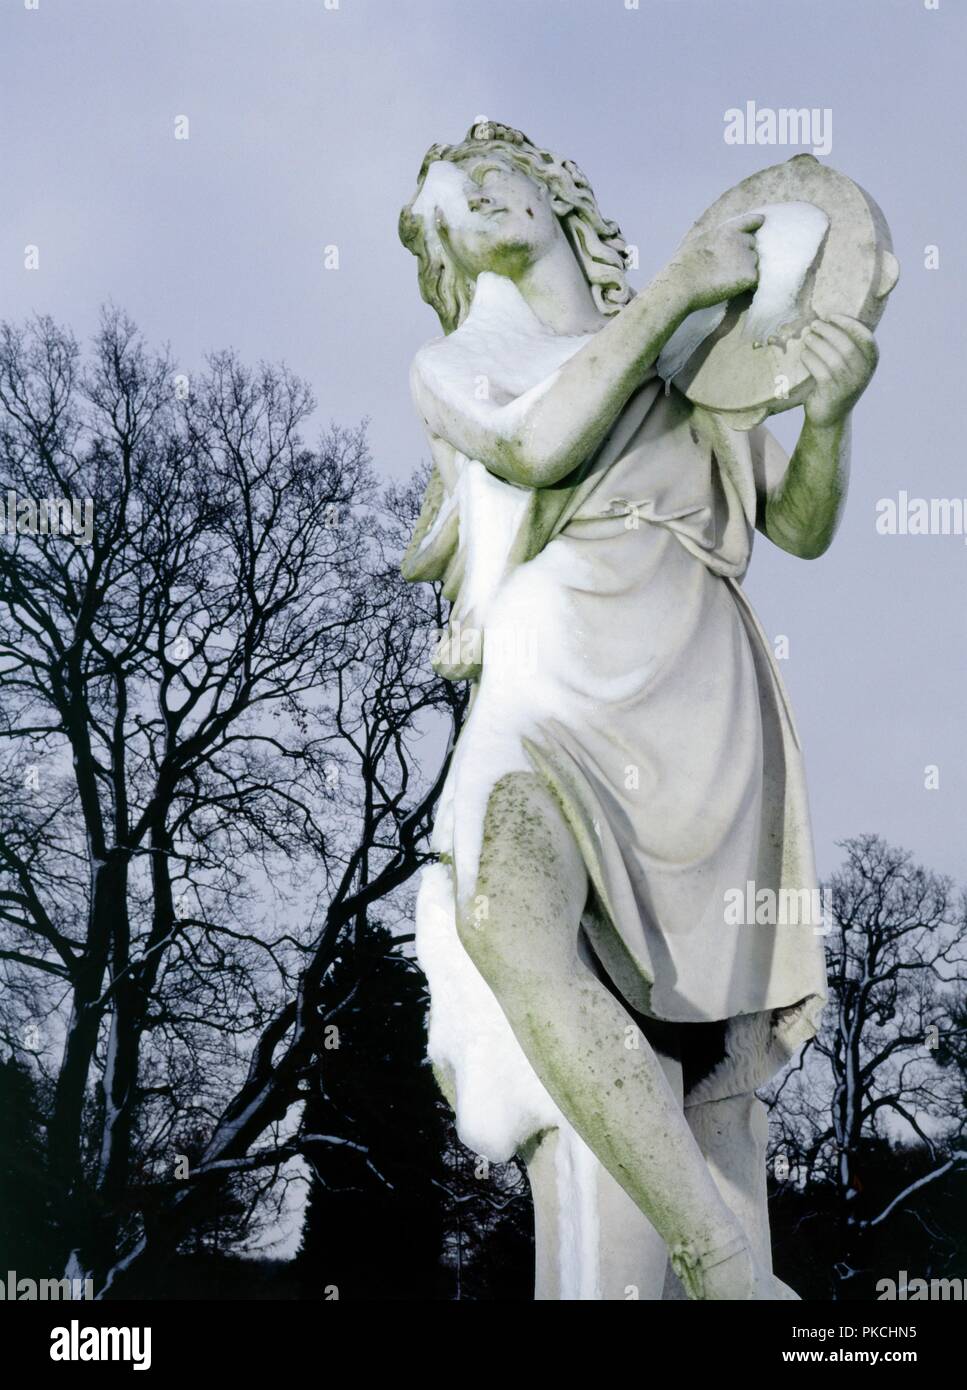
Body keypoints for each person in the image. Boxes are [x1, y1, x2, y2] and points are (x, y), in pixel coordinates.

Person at [399, 121, 879, 1300]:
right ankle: (725, 1270)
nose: (475, 195)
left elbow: (801, 525)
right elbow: (535, 442)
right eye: (448, 202)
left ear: (551, 182)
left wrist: (827, 415)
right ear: (449, 247)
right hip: (552, 673)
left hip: (701, 692)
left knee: (708, 1052)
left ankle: (719, 1255)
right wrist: (679, 286)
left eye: (488, 171)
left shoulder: (695, 365)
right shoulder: (463, 361)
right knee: (509, 912)